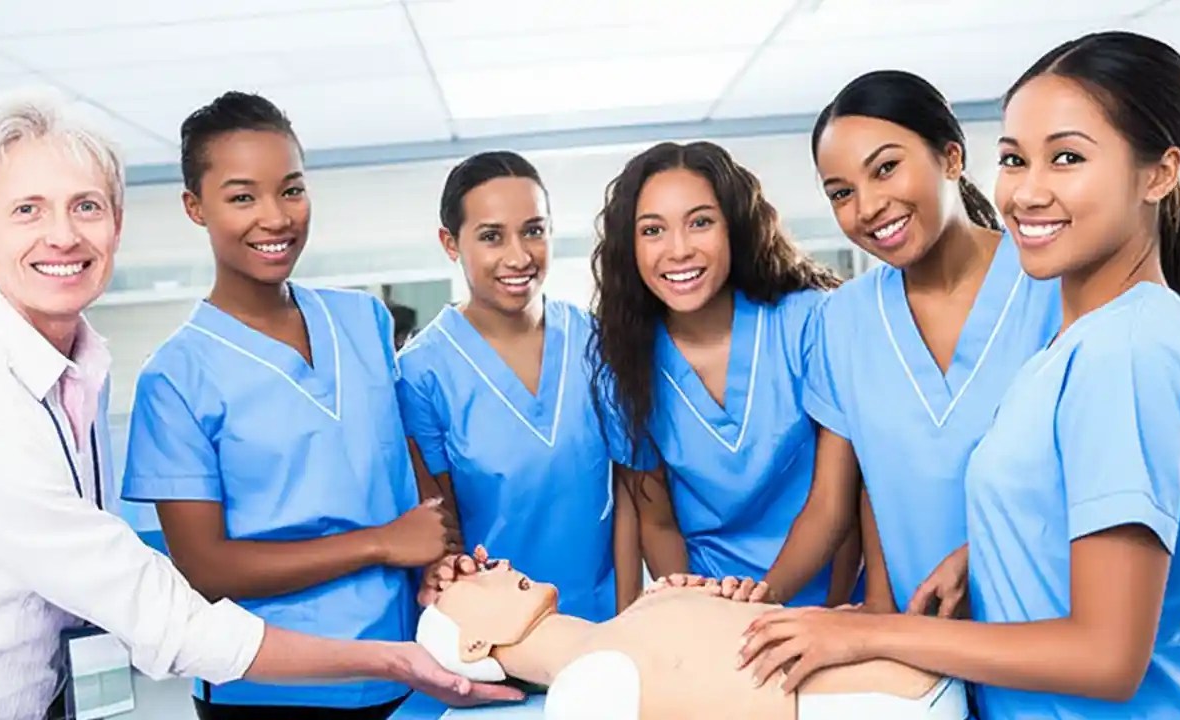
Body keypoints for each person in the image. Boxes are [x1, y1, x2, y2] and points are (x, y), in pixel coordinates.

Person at [0, 87, 521, 720]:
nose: (62, 235)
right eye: (27, 209)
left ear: (116, 221)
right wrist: (383, 583)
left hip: (389, 666)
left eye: (85, 206)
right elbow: (171, 598)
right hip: (258, 688)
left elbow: (408, 477)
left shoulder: (81, 368)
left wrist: (436, 563)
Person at [738, 31, 1180, 720]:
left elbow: (1107, 657)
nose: (1027, 191)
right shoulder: (1085, 342)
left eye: (1067, 157)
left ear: (1159, 174)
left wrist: (871, 631)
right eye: (1015, 159)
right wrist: (984, 551)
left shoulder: (1126, 352)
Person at [120, 92, 468, 719]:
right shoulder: (175, 377)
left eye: (292, 190)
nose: (276, 217)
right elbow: (206, 567)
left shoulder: (363, 321)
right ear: (196, 208)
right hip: (268, 689)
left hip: (405, 669)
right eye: (242, 197)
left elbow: (405, 461)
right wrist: (381, 544)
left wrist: (438, 554)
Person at [704, 71, 1063, 615]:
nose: (867, 206)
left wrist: (979, 557)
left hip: (1045, 628)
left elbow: (1089, 479)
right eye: (841, 193)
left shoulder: (1053, 284)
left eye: (886, 168)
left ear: (951, 158)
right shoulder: (843, 319)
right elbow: (840, 499)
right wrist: (761, 600)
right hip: (917, 639)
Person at [588, 140, 851, 608]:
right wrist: (701, 613)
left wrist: (766, 602)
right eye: (653, 230)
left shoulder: (810, 323)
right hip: (713, 603)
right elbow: (658, 524)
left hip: (826, 599)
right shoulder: (624, 367)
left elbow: (834, 502)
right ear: (630, 247)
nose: (679, 250)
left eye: (701, 222)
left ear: (734, 226)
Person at [397, 151, 641, 621]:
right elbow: (444, 536)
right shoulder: (421, 373)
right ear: (451, 243)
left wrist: (628, 620)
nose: (519, 256)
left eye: (533, 230)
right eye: (492, 236)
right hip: (495, 632)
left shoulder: (597, 343)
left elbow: (632, 492)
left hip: (602, 620)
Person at [415, 547, 969, 719]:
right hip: (902, 697)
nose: (494, 562)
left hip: (917, 662)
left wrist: (731, 605)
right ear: (472, 646)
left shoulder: (648, 606)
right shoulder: (585, 694)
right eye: (469, 582)